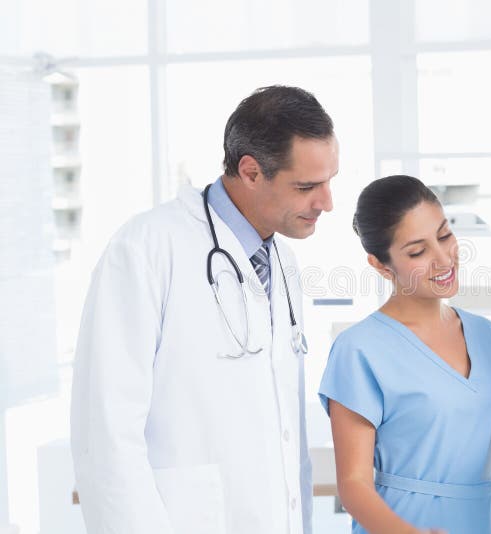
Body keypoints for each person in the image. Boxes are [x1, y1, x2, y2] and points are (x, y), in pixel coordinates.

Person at [70, 85, 338, 534]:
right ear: (250, 171)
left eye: (330, 181)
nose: (326, 203)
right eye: (307, 186)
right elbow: (106, 434)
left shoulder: (283, 261)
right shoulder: (148, 248)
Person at [318, 175, 491, 534]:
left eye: (444, 236)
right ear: (381, 266)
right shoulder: (359, 350)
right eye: (418, 251)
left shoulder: (488, 336)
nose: (443, 258)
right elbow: (353, 485)